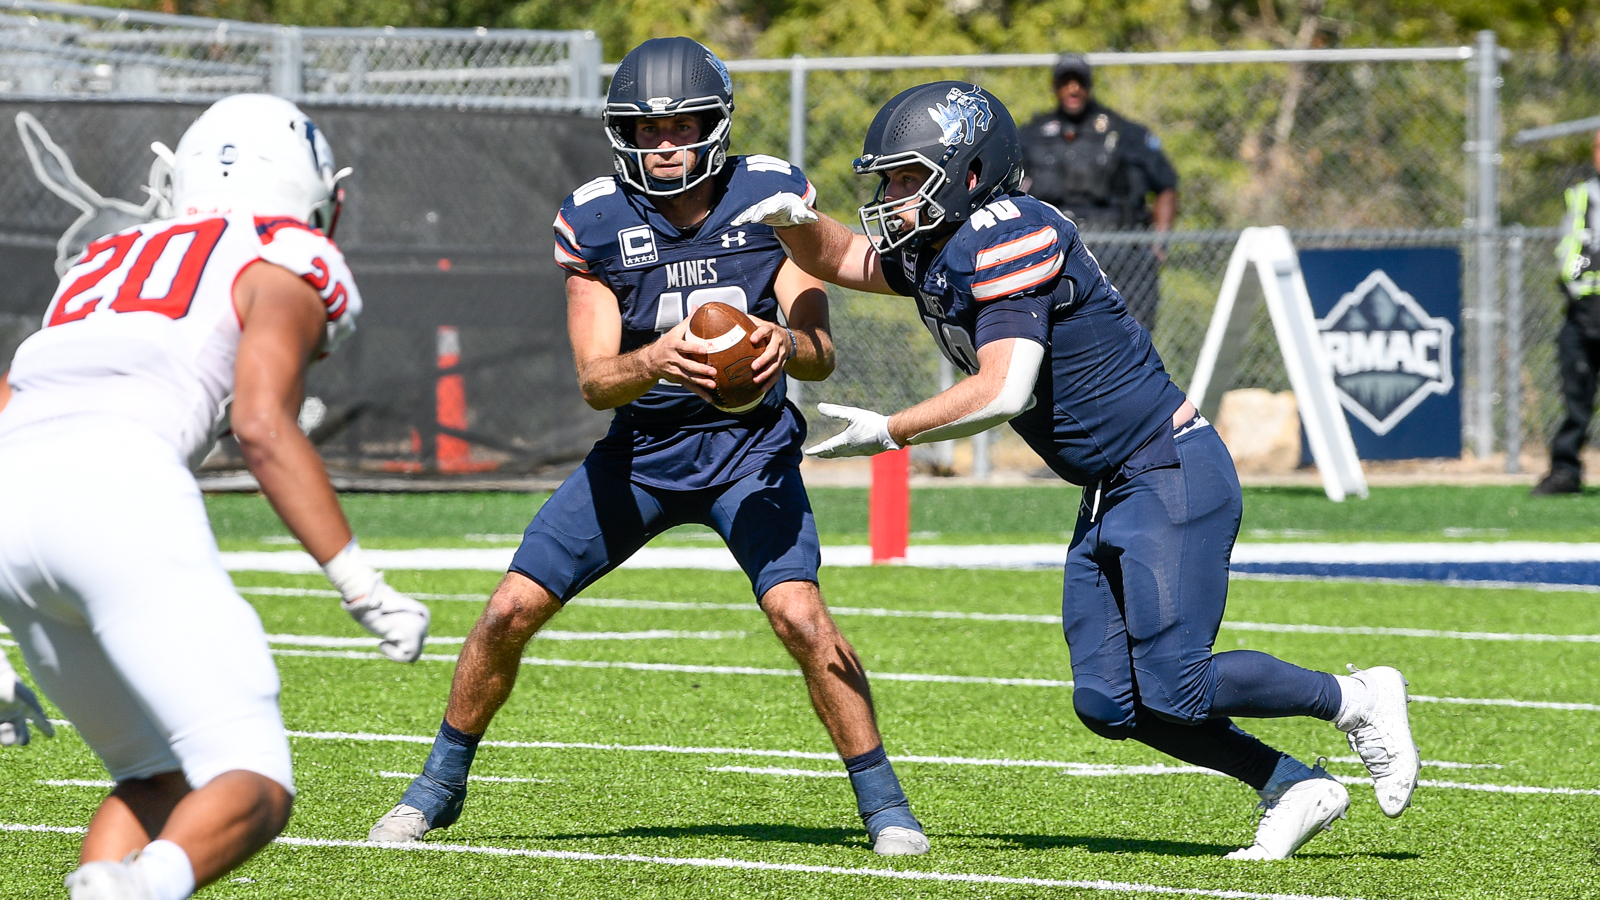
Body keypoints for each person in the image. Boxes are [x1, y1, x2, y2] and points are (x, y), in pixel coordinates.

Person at [731, 81, 1420, 860]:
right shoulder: (940, 243)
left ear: (968, 172)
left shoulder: (1014, 230)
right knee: (1109, 701)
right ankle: (1292, 784)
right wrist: (790, 221)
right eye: (884, 180)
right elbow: (847, 256)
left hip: (1168, 468)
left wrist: (889, 431)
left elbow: (1003, 389)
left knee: (1177, 684)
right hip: (1109, 487)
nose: (889, 199)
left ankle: (1358, 698)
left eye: (903, 178)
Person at [366, 36, 929, 857]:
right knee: (509, 611)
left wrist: (781, 345)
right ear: (621, 134)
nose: (664, 145)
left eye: (683, 125)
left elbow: (820, 347)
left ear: (717, 124)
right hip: (645, 452)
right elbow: (596, 380)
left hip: (750, 450)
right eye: (646, 129)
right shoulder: (595, 219)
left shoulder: (770, 195)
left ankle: (885, 805)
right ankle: (437, 786)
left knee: (800, 615)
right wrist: (657, 358)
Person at [0, 94, 431, 899]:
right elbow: (263, 424)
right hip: (118, 483)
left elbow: (13, 402)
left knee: (155, 776)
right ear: (311, 187)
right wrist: (362, 588)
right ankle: (136, 887)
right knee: (253, 781)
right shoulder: (283, 248)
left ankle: (106, 885)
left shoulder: (101, 261)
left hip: (9, 500)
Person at [1018, 53, 1176, 332]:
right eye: (1065, 82)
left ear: (1089, 85)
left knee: (1133, 340)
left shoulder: (1124, 133)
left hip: (1122, 250)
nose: (1073, 89)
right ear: (1055, 87)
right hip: (1055, 251)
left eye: (1079, 81)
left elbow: (1165, 184)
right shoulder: (1031, 136)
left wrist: (1159, 245)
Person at [1533, 127, 1600, 495]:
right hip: (1585, 310)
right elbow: (1571, 256)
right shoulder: (1581, 197)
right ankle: (1565, 470)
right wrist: (1578, 283)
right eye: (1598, 147)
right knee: (1576, 397)